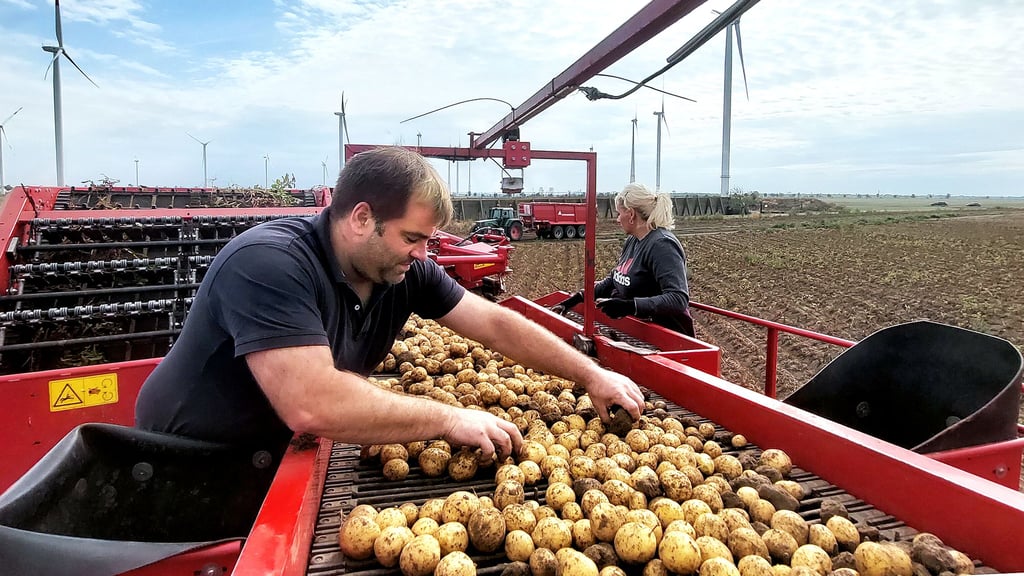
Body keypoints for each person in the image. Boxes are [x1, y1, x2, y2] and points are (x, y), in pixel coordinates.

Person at [135, 147, 644, 469]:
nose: (425, 254)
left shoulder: (400, 269)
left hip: (277, 452)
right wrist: (448, 419)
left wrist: (590, 374)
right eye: (412, 238)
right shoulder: (268, 263)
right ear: (361, 218)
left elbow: (491, 322)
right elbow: (311, 402)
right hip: (186, 464)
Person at [553, 183, 695, 337]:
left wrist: (630, 306)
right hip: (641, 332)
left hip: (669, 338)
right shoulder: (633, 241)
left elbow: (678, 298)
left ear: (632, 214)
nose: (617, 219)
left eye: (619, 213)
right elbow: (615, 280)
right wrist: (578, 298)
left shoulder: (662, 245)